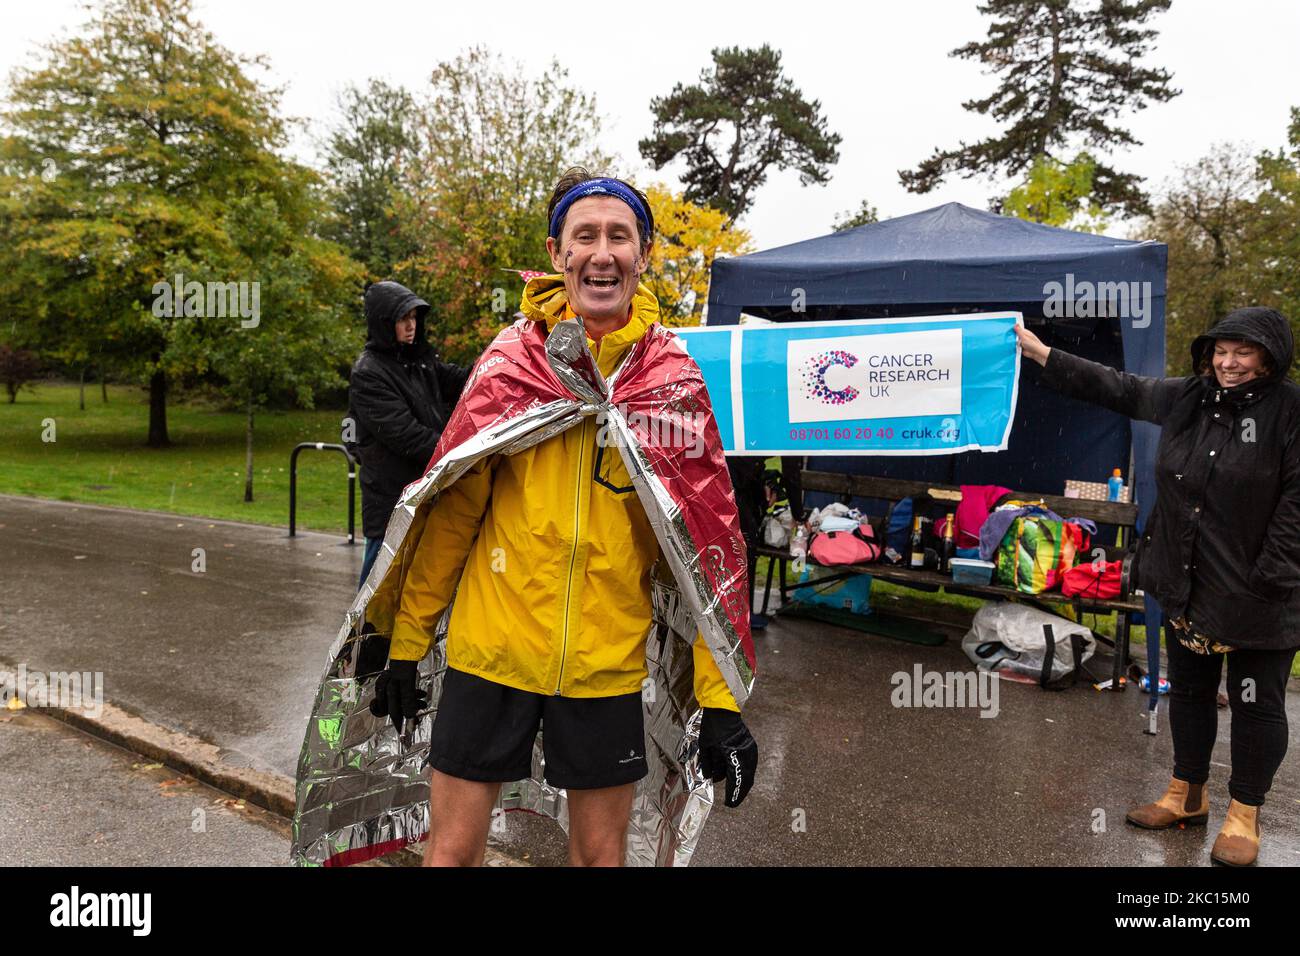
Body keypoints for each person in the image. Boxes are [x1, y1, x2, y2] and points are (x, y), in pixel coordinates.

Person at [370, 168, 758, 867]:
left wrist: (720, 698)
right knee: (451, 855)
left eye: (620, 237)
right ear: (557, 253)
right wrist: (406, 640)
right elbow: (453, 516)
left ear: (642, 258)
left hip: (602, 667)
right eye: (585, 236)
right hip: (493, 654)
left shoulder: (670, 381)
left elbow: (702, 551)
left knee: (601, 860)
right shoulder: (512, 365)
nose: (602, 252)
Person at [1016, 307, 1300, 866]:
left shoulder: (1291, 412)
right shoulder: (1190, 396)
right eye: (1221, 351)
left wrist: (1273, 573)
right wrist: (1040, 352)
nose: (1229, 362)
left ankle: (1244, 814)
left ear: (1269, 357)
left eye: (1243, 352)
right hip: (1186, 577)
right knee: (1190, 691)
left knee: (1256, 703)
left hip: (1260, 589)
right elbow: (1119, 388)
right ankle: (1187, 794)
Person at [347, 281, 469, 589]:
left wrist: (506, 351)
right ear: (385, 323)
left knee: (417, 586)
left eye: (414, 318)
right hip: (391, 500)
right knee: (377, 588)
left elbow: (464, 380)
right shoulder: (369, 372)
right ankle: (361, 638)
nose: (411, 326)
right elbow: (405, 435)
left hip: (425, 490)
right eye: (403, 319)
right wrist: (461, 453)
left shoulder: (419, 360)